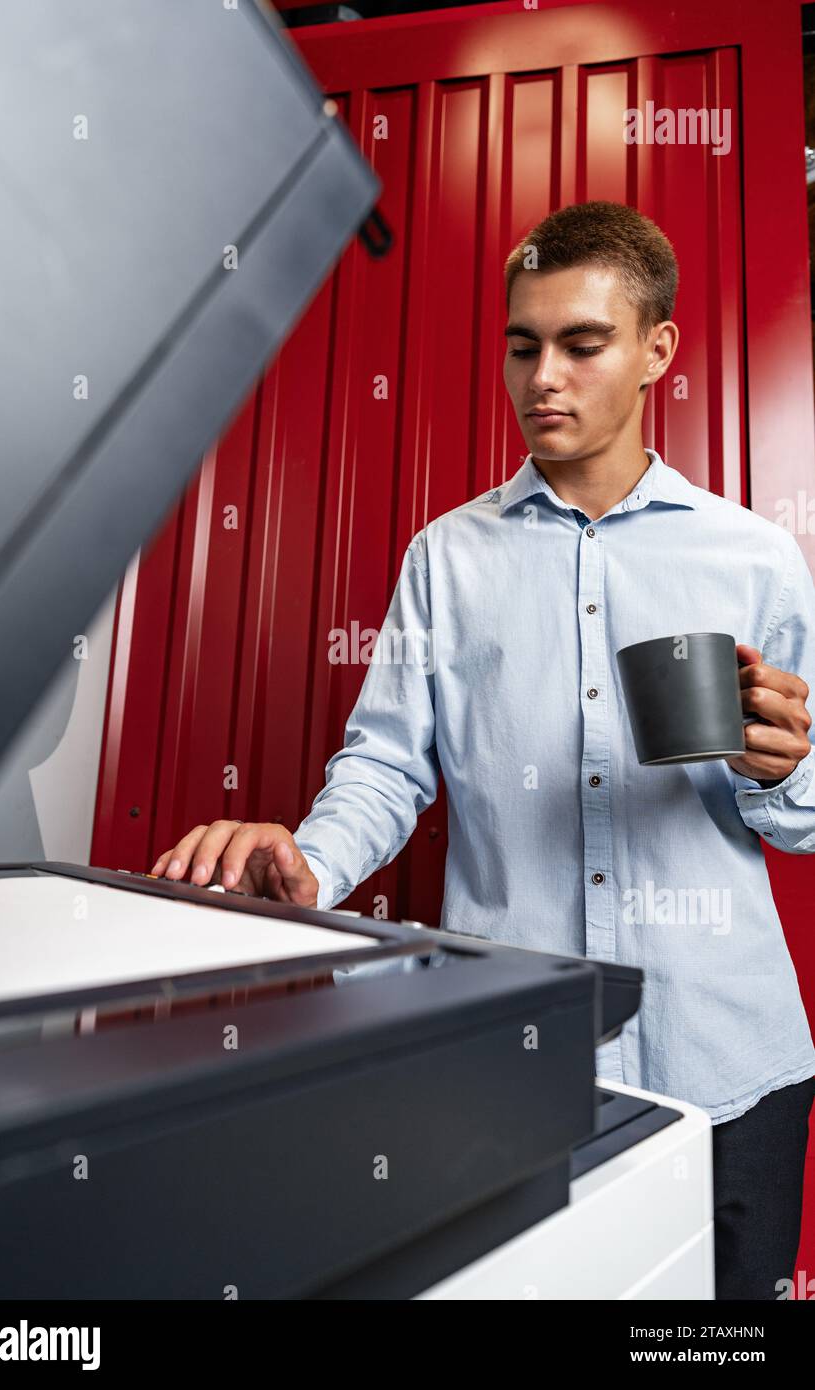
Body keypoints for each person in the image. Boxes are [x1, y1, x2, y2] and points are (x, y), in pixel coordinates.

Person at [151, 200, 815, 1300]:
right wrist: (311, 861)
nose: (541, 377)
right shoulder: (444, 559)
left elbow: (803, 821)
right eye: (522, 345)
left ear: (657, 350)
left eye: (581, 344)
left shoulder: (754, 558)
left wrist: (783, 772)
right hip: (513, 1071)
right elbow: (385, 765)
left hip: (729, 1065)